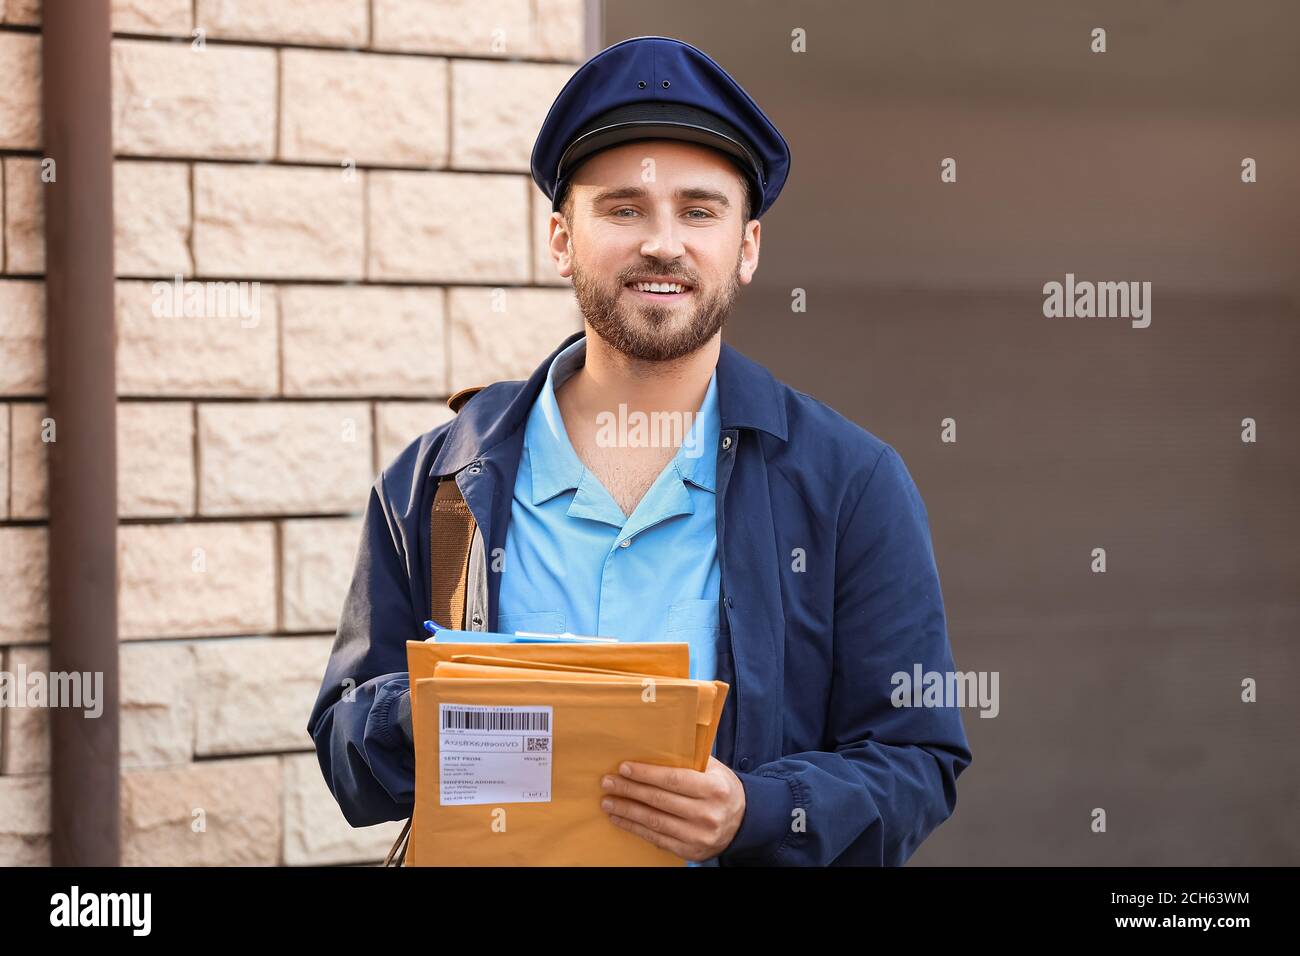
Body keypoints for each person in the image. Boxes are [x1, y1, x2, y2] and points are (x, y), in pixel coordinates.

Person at [307, 35, 972, 866]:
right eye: (624, 209)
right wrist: (429, 712)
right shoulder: (437, 482)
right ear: (560, 239)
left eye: (699, 210)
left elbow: (918, 762)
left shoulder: (850, 485)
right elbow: (345, 752)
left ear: (748, 247)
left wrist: (758, 811)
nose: (664, 243)